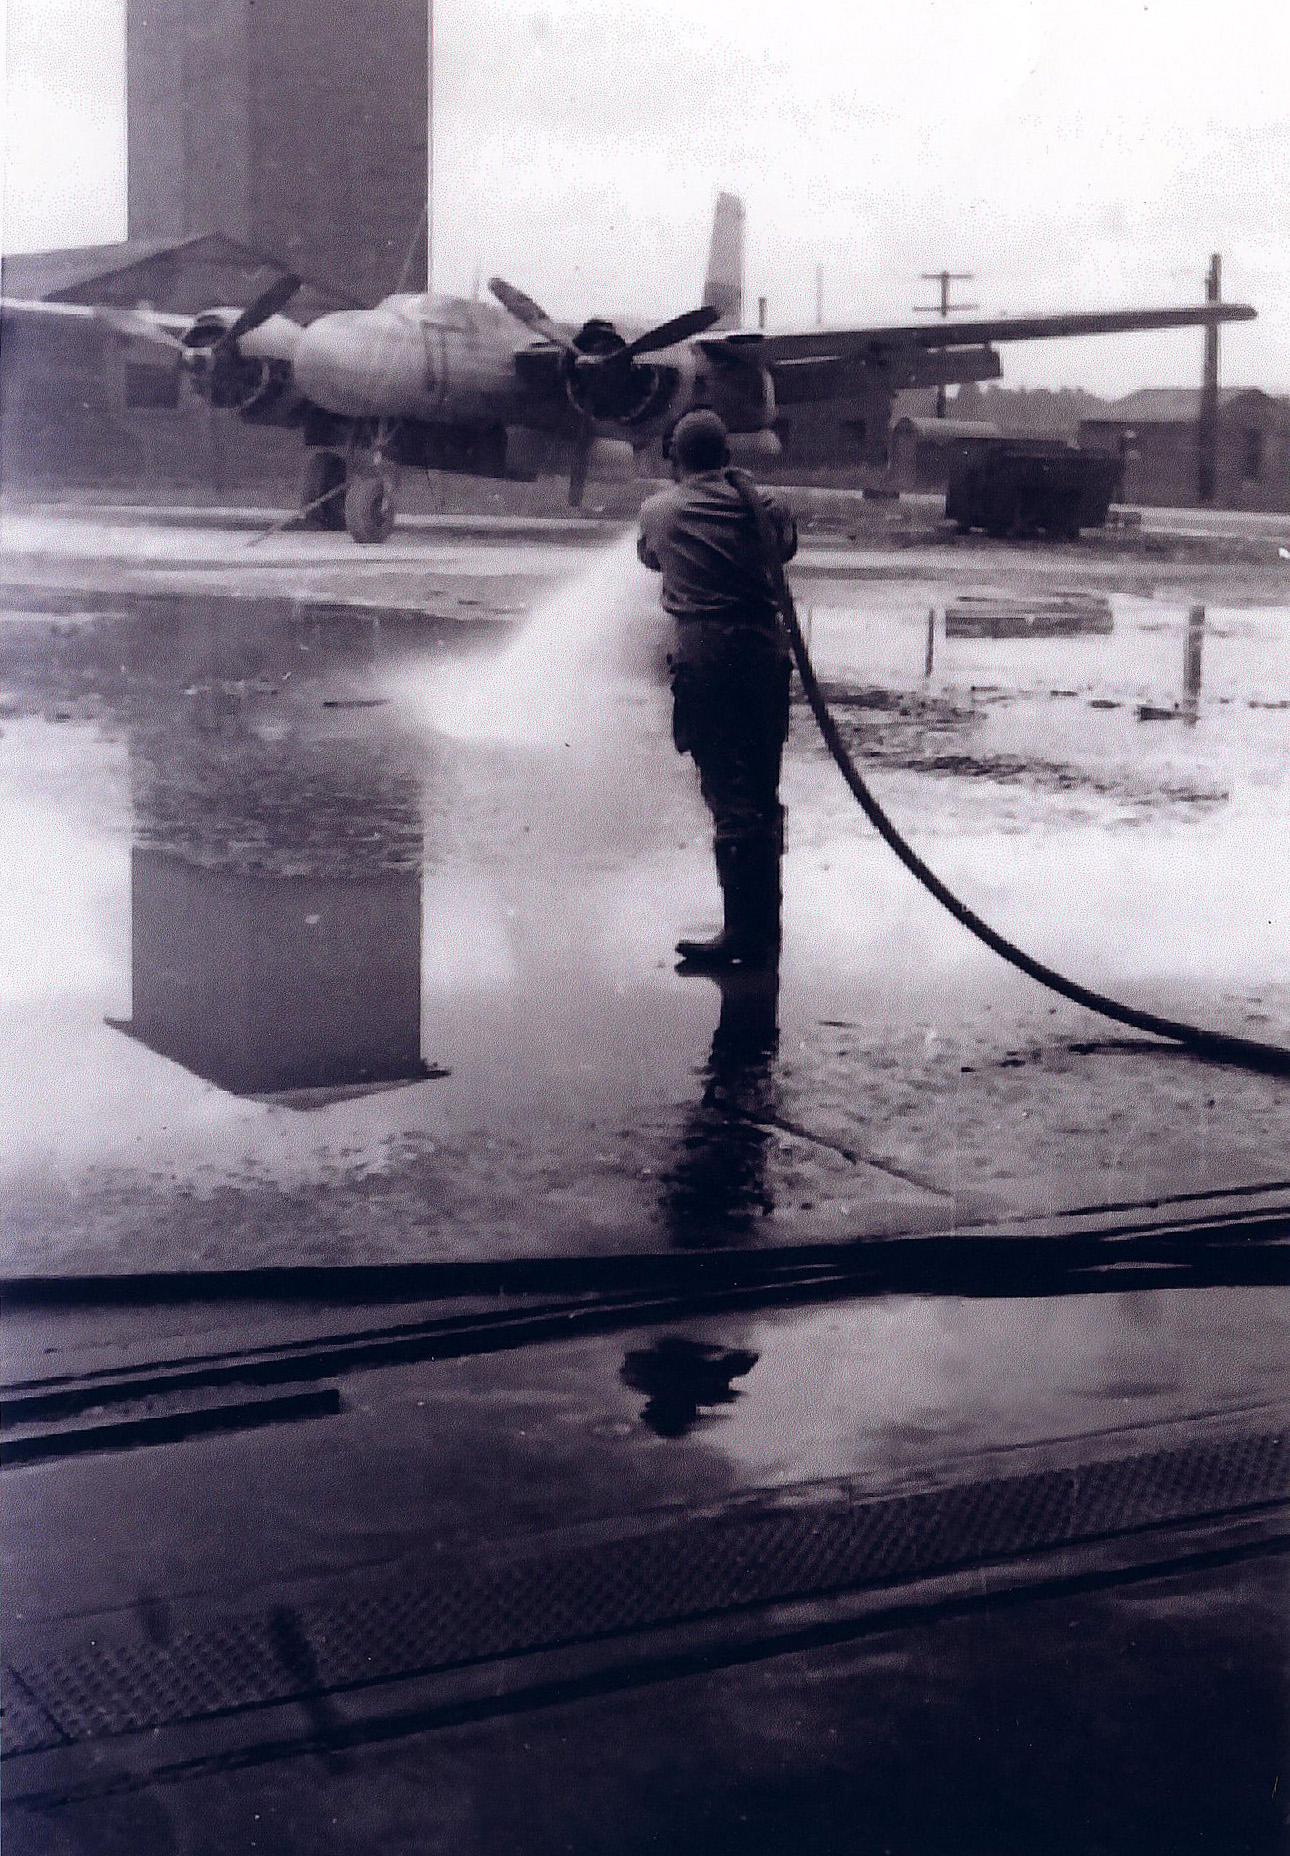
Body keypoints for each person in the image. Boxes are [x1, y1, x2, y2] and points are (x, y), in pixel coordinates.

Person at [637, 409, 797, 970]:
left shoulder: (660, 511)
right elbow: (786, 548)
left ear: (677, 457)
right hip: (764, 656)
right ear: (727, 454)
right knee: (761, 791)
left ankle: (743, 935)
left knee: (729, 799)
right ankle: (763, 927)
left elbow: (649, 556)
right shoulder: (767, 505)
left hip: (708, 661)